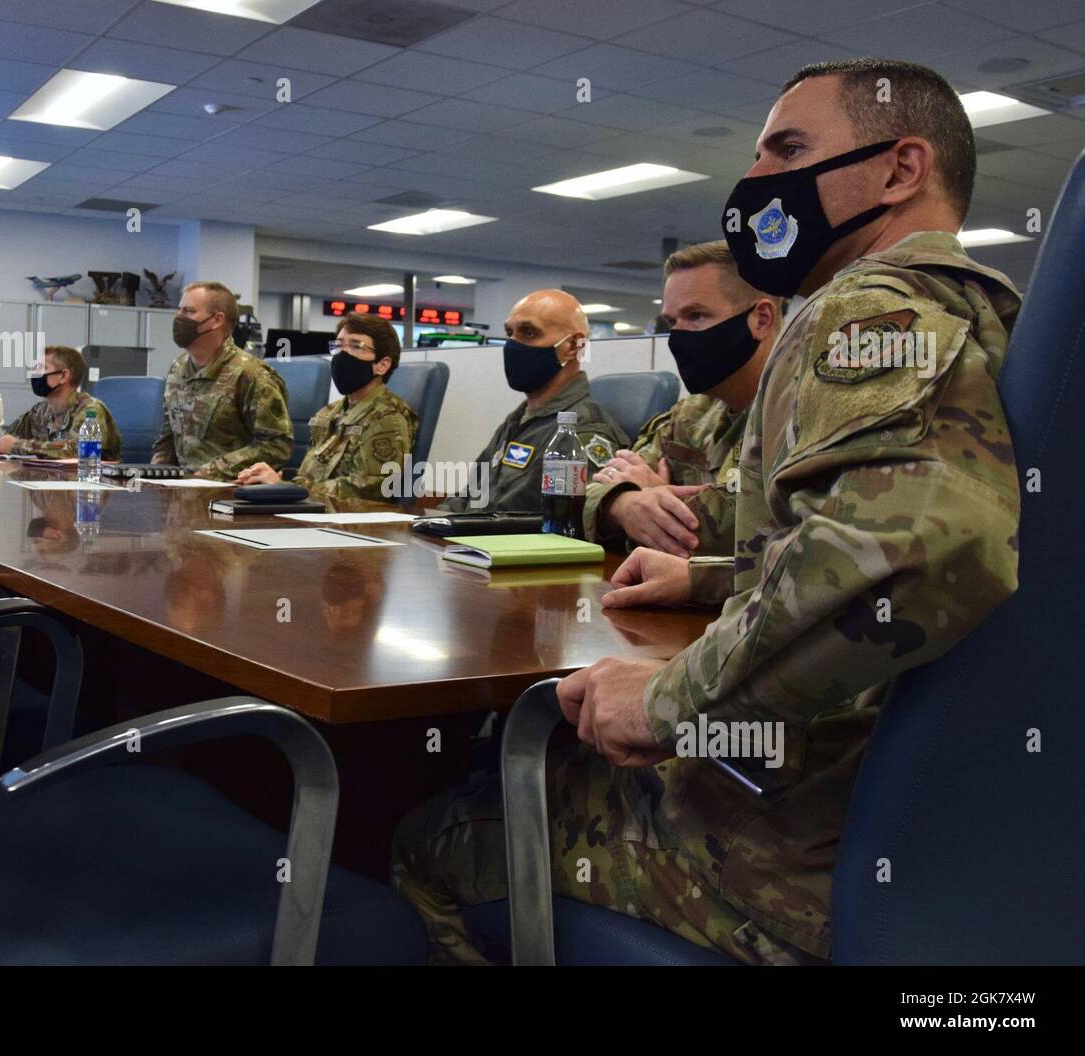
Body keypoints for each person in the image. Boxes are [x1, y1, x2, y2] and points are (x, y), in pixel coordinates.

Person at [393, 57, 1022, 966]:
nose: (758, 180)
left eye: (790, 148)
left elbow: (903, 555)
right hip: (925, 831)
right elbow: (884, 537)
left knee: (431, 833)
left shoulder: (867, 306)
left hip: (780, 861)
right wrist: (708, 574)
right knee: (552, 758)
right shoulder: (980, 317)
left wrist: (665, 702)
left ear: (901, 168)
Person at [584, 241, 785, 608]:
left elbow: (744, 531)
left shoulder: (794, 409)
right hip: (673, 613)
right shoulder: (691, 414)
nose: (679, 336)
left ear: (761, 319)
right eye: (671, 322)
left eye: (696, 316)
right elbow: (596, 481)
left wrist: (654, 502)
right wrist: (626, 502)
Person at [441, 289, 628, 513]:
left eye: (529, 333)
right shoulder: (518, 420)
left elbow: (563, 523)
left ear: (572, 347)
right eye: (510, 332)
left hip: (508, 545)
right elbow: (466, 497)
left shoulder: (580, 430)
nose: (513, 344)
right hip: (470, 541)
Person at [237, 314, 418, 502]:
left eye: (356, 346)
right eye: (338, 345)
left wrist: (290, 488)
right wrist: (277, 482)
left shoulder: (387, 418)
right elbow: (311, 475)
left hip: (351, 521)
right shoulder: (329, 413)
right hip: (314, 510)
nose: (343, 354)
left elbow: (370, 488)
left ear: (382, 365)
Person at [151, 280, 293, 479]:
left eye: (189, 311)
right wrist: (152, 474)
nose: (178, 317)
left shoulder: (251, 374)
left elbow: (277, 445)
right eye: (179, 310)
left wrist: (211, 471)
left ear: (216, 320)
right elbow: (168, 437)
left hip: (228, 492)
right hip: (182, 489)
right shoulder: (178, 368)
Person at [0, 345, 122, 460]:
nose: (35, 373)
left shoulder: (90, 410)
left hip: (90, 482)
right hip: (48, 480)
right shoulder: (39, 411)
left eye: (42, 368)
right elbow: (5, 440)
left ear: (63, 376)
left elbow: (78, 451)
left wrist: (18, 445)